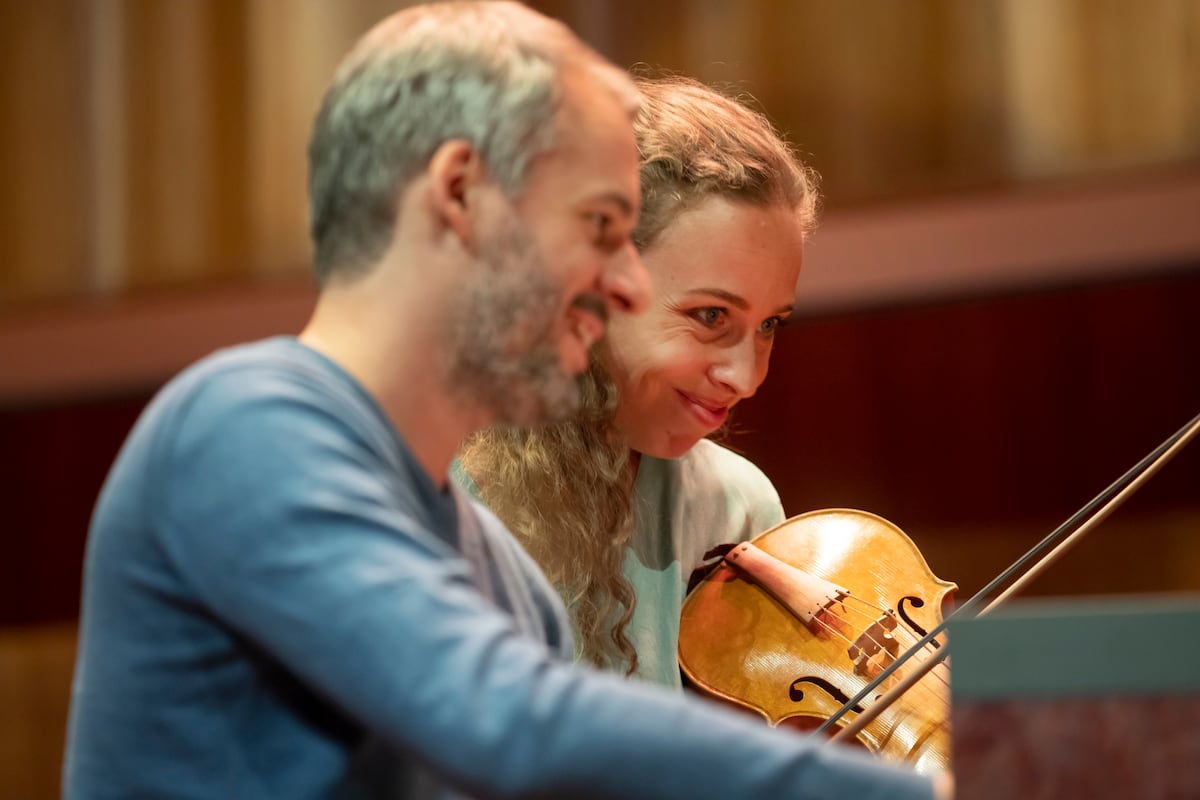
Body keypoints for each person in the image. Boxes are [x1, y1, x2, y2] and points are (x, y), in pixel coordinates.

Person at [63, 3, 944, 799]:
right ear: (462, 199)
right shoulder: (244, 427)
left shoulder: (489, 559)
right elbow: (505, 721)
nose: (621, 283)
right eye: (599, 228)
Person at [457, 75, 812, 686]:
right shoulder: (434, 494)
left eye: (770, 325)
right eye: (710, 317)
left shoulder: (737, 508)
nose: (747, 377)